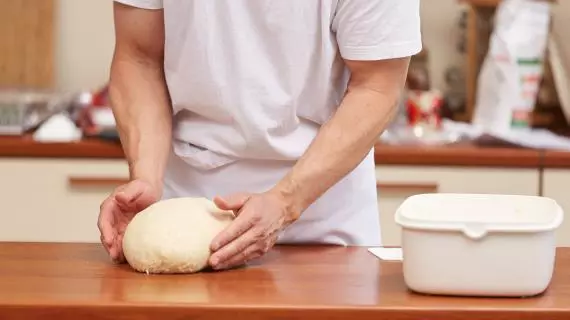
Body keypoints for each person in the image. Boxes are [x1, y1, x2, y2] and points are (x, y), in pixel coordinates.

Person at [98, 0, 421, 271]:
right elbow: (138, 57)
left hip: (322, 218)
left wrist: (284, 203)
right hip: (184, 207)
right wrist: (145, 176)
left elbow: (377, 87)